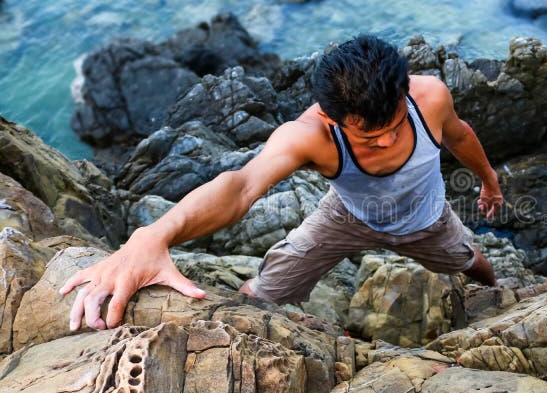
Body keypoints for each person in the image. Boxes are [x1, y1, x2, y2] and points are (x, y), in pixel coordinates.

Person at [60, 35, 504, 331]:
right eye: (370, 136)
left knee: (467, 259)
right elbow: (240, 185)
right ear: (330, 117)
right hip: (346, 216)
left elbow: (461, 135)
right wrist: (153, 235)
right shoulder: (308, 136)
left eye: (392, 125)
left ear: (405, 89)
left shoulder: (430, 97)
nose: (387, 140)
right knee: (262, 290)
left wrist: (489, 182)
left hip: (424, 218)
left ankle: (500, 292)